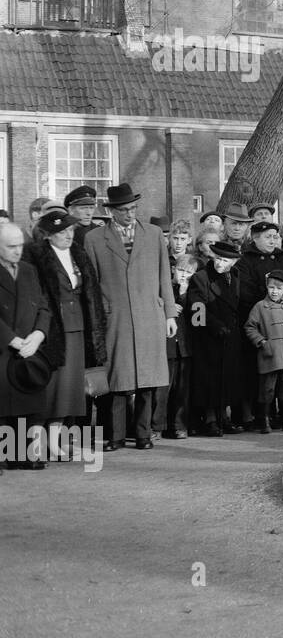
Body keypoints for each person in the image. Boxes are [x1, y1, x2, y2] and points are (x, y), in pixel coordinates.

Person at [83, 183, 178, 451]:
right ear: (111, 210)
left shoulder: (154, 234)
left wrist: (170, 314)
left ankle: (143, 435)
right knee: (117, 380)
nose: (129, 214)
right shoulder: (94, 239)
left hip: (149, 314)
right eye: (123, 210)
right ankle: (114, 436)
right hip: (116, 318)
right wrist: (98, 319)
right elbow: (92, 284)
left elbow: (164, 278)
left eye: (133, 208)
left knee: (147, 379)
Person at [31, 211, 108, 460]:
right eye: (61, 232)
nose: (67, 235)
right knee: (53, 389)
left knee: (70, 391)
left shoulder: (78, 253)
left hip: (78, 328)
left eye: (70, 230)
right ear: (49, 234)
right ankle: (40, 443)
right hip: (53, 330)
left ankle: (56, 441)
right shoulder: (37, 255)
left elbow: (91, 291)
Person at [0, 222, 54, 470]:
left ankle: (27, 455)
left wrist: (39, 335)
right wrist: (10, 338)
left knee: (31, 405)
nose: (17, 251)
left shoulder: (29, 270)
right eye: (11, 247)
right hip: (4, 348)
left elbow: (44, 306)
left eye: (20, 245)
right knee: (2, 406)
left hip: (29, 350)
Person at [186, 240, 245, 436]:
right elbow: (196, 311)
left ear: (234, 262)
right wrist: (215, 326)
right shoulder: (200, 278)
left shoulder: (235, 276)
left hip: (231, 337)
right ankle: (210, 419)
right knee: (209, 380)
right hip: (208, 339)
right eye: (217, 258)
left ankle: (223, 417)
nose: (220, 263)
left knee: (228, 378)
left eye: (225, 260)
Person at [243, 269, 283, 433]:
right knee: (267, 389)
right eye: (271, 287)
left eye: (279, 288)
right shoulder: (260, 306)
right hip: (269, 354)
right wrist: (262, 342)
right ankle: (264, 420)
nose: (274, 291)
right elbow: (250, 327)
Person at [167, 253, 199, 438]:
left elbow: (198, 318)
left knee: (182, 389)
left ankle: (180, 425)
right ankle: (160, 425)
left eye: (189, 272)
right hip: (168, 344)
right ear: (173, 269)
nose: (183, 275)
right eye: (180, 270)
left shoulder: (193, 292)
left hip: (186, 345)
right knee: (165, 387)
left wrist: (184, 295)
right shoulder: (166, 289)